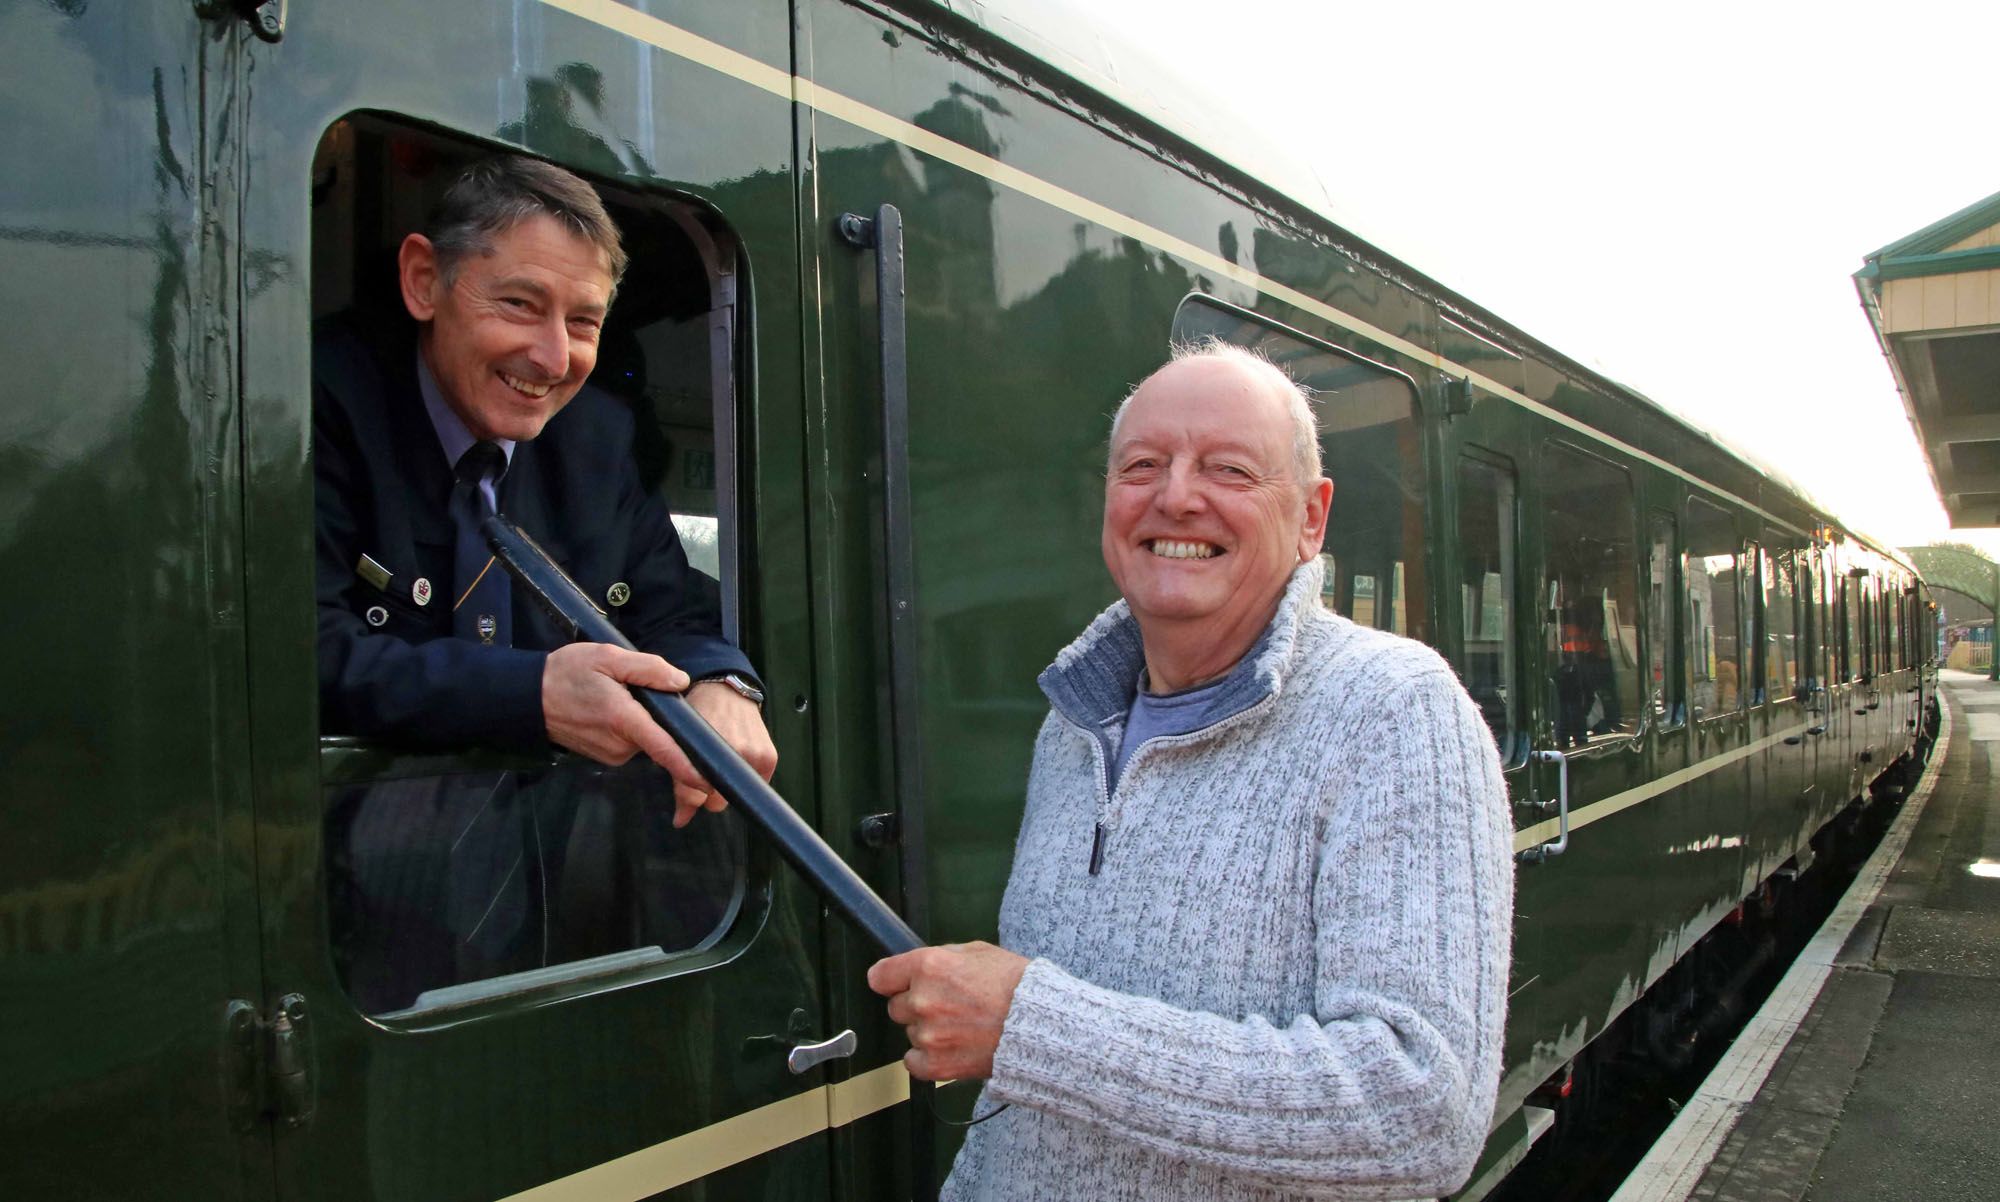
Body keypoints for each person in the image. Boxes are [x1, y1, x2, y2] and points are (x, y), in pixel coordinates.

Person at [869, 342, 1513, 1199]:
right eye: (1143, 465)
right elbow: (1025, 1114)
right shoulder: (1074, 723)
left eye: (1230, 470)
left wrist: (1034, 1027)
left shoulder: (1396, 712)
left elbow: (1419, 1110)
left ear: (1312, 520)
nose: (1176, 496)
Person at [314, 156, 774, 1009]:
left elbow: (673, 608)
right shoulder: (320, 400)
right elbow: (303, 648)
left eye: (586, 321)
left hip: (552, 913)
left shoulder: (596, 437)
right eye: (520, 304)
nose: (554, 356)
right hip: (344, 922)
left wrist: (720, 681)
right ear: (424, 280)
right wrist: (531, 694)